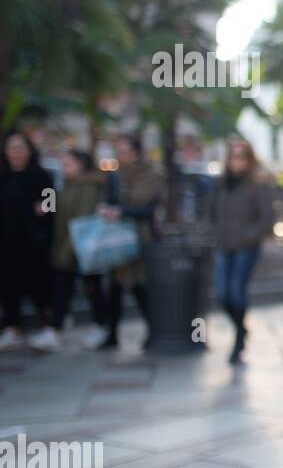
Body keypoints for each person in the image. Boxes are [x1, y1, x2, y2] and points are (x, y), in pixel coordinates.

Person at [207, 138, 276, 364]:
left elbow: (267, 217)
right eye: (233, 156)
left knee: (237, 290)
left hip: (246, 247)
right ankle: (241, 327)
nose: (236, 161)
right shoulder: (220, 184)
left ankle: (238, 338)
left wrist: (250, 235)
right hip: (223, 244)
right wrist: (213, 231)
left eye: (241, 156)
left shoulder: (257, 184)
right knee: (222, 292)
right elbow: (210, 211)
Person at [97, 136, 163, 350]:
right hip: (116, 237)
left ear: (135, 153)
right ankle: (112, 334)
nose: (120, 156)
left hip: (139, 236)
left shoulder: (150, 175)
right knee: (115, 286)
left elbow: (146, 207)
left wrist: (120, 210)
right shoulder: (115, 176)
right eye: (118, 151)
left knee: (138, 285)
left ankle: (154, 330)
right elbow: (109, 199)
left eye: (123, 152)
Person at [49, 150, 110, 351]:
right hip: (69, 247)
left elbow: (82, 223)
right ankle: (57, 329)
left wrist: (67, 249)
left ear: (81, 164)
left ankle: (100, 327)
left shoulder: (88, 186)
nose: (64, 169)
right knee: (64, 290)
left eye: (68, 165)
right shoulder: (68, 186)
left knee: (92, 290)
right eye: (63, 165)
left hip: (83, 249)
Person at [0, 131, 56, 351]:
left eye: (20, 147)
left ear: (29, 151)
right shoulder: (2, 176)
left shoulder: (42, 176)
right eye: (12, 147)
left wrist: (44, 208)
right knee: (7, 286)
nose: (16, 152)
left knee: (39, 285)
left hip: (35, 243)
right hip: (6, 243)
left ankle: (46, 328)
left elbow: (51, 204)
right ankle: (12, 328)